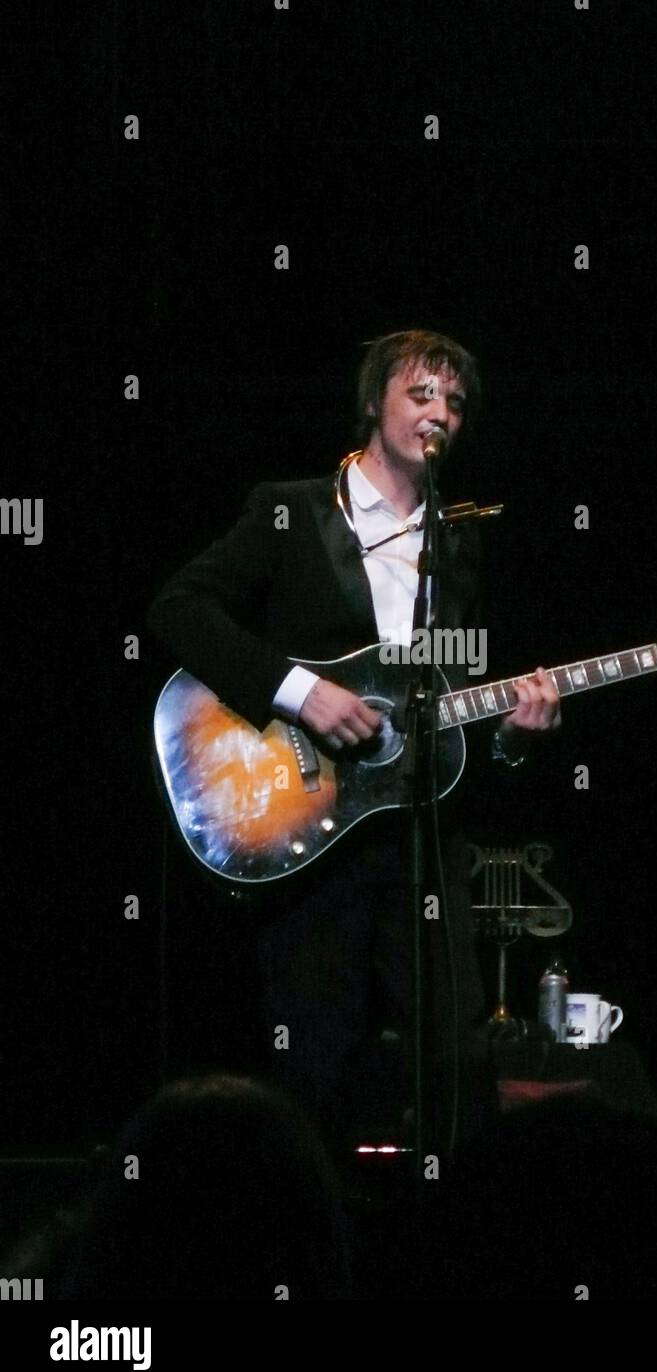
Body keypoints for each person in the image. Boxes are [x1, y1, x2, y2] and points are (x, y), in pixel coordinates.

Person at [147, 328, 561, 1154]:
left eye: (453, 401)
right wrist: (299, 693)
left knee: (457, 1053)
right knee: (313, 1058)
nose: (439, 412)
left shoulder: (461, 540)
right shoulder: (290, 508)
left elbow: (448, 708)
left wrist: (513, 737)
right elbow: (177, 609)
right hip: (306, 824)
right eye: (420, 394)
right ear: (375, 403)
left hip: (420, 832)